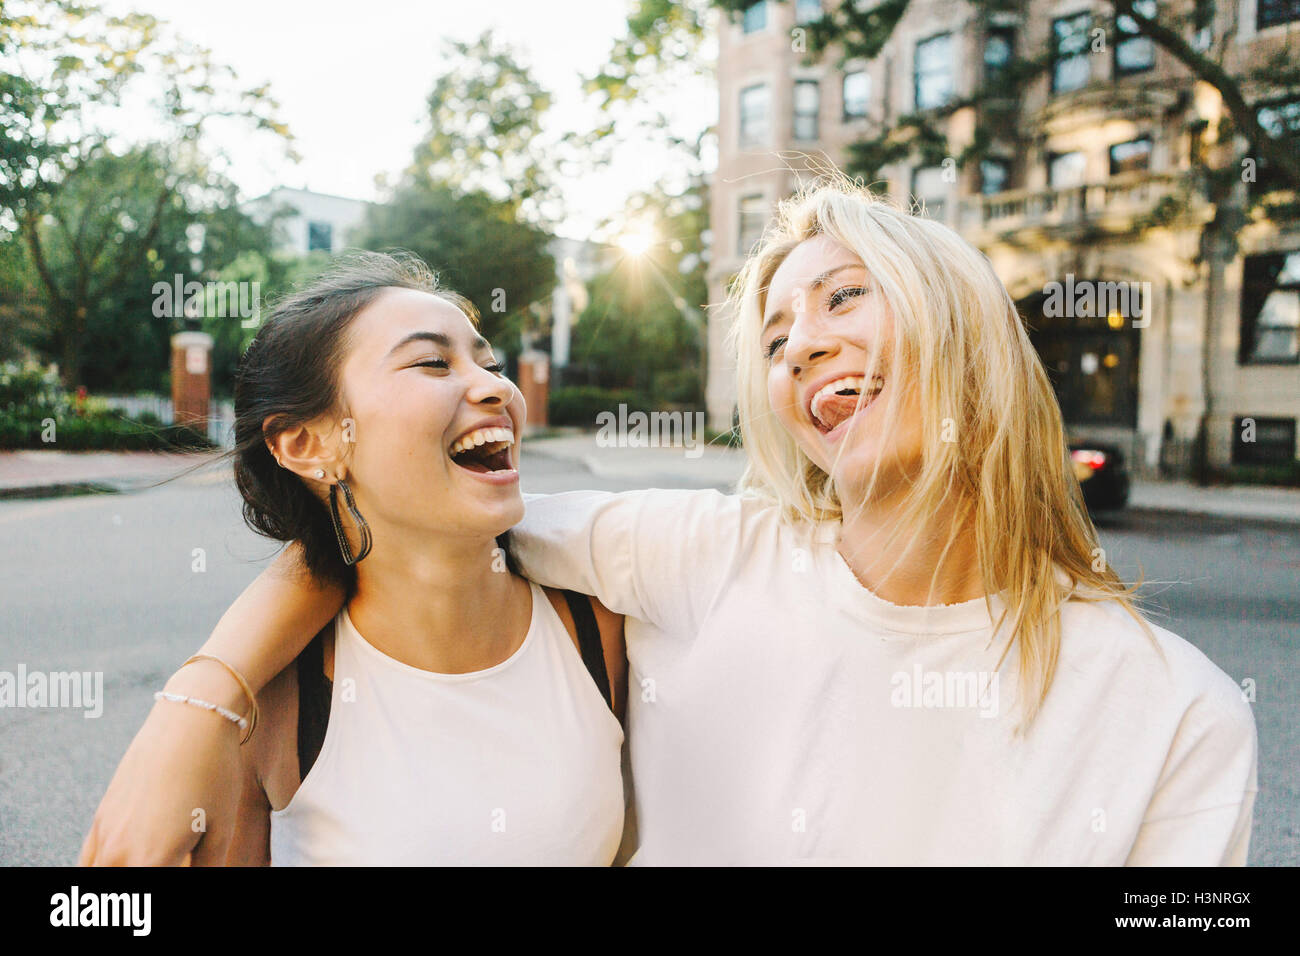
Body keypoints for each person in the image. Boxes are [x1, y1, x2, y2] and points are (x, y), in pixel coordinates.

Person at [82, 181, 1257, 866]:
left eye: (844, 294)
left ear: (959, 316)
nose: (802, 341)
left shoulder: (1177, 712)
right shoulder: (700, 559)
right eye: (779, 331)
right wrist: (203, 694)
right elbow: (409, 530)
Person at [86, 252, 628, 865]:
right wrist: (198, 705)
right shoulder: (272, 708)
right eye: (432, 362)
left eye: (490, 362)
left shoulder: (604, 630)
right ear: (306, 444)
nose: (497, 386)